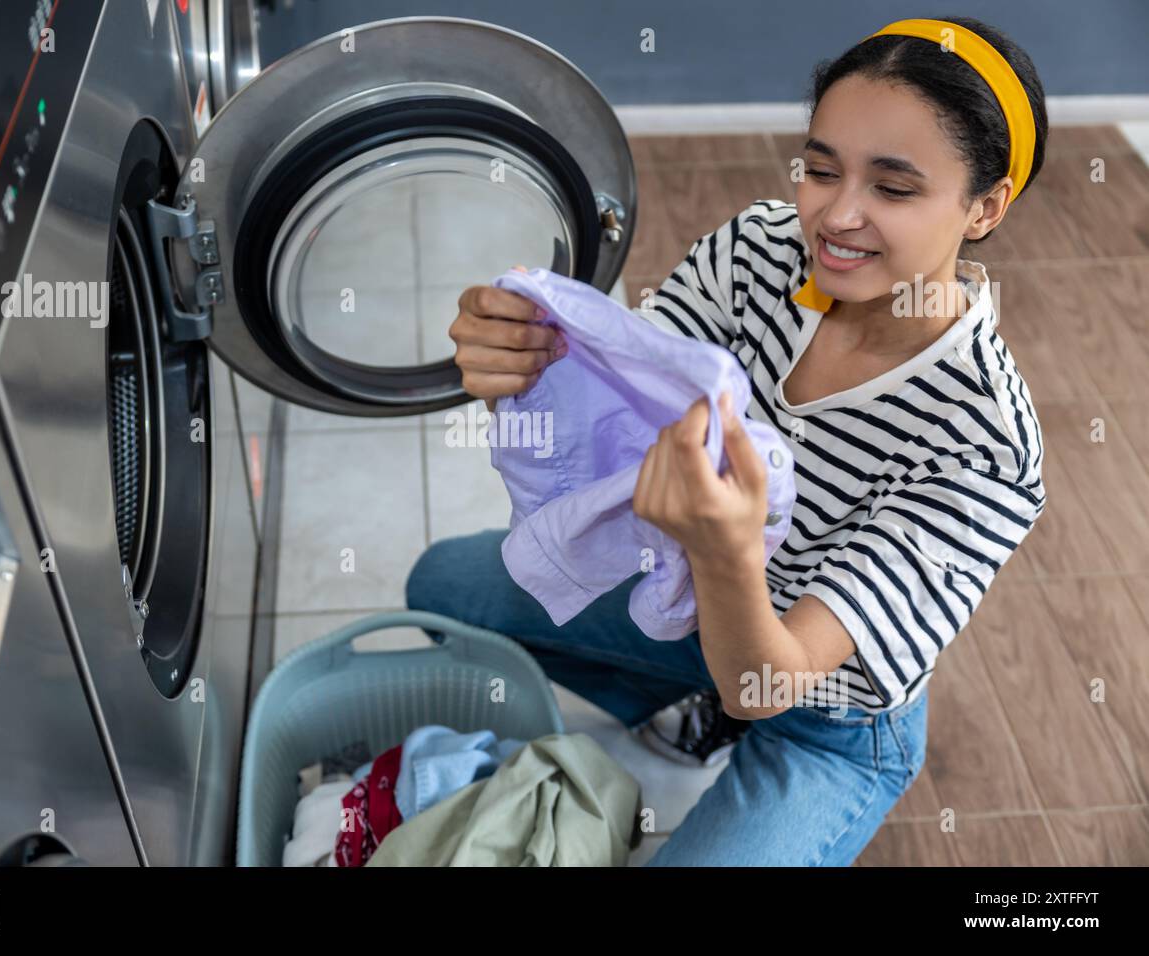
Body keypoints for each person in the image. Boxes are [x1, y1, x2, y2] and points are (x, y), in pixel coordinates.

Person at [408, 16, 1048, 865]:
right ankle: (684, 713)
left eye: (893, 189)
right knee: (440, 585)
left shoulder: (986, 445)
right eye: (821, 169)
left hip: (823, 717)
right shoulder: (758, 251)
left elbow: (770, 684)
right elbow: (614, 436)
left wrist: (726, 553)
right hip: (691, 604)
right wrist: (524, 374)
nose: (835, 217)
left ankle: (712, 716)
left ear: (984, 206)